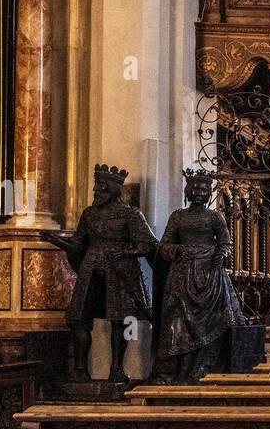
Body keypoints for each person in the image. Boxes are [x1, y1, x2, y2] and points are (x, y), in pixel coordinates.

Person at [41, 164, 158, 384]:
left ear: (114, 190)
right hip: (91, 269)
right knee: (79, 319)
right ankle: (80, 370)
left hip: (120, 271)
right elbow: (77, 244)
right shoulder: (89, 214)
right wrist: (55, 240)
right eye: (96, 188)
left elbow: (147, 244)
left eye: (102, 188)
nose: (97, 192)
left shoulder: (130, 214)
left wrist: (123, 251)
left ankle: (117, 369)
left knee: (120, 320)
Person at [152, 172, 243, 383]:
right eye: (195, 189)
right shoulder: (178, 216)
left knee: (210, 322)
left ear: (209, 192)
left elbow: (226, 242)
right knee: (174, 321)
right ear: (188, 191)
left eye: (203, 189)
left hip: (209, 274)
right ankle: (170, 372)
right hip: (182, 275)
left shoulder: (214, 216)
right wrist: (177, 251)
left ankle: (202, 367)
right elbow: (163, 245)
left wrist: (221, 255)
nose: (199, 193)